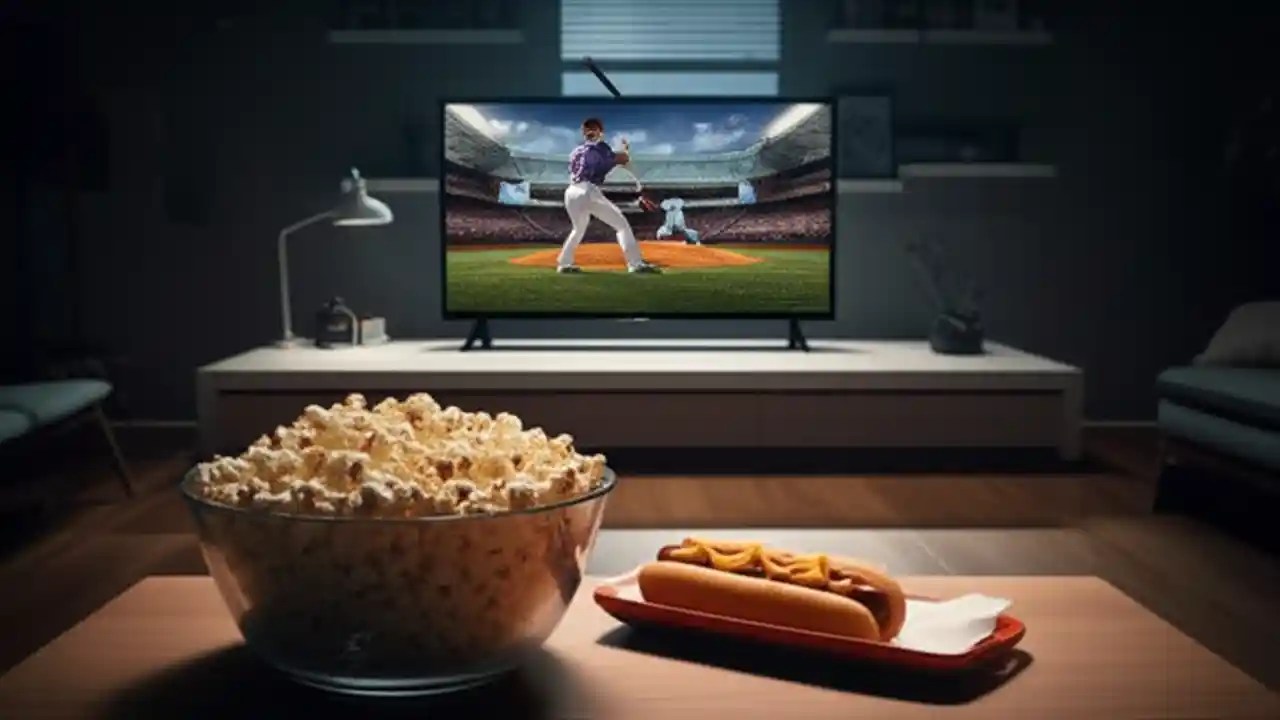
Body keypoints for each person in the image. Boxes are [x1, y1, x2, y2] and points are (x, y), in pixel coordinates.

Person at [556, 117, 660, 274]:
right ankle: (635, 263)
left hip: (571, 191)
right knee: (622, 226)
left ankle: (564, 263)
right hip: (587, 189)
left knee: (578, 229)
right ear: (600, 132)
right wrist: (625, 151)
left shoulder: (575, 152)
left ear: (584, 133)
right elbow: (622, 159)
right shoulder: (602, 147)